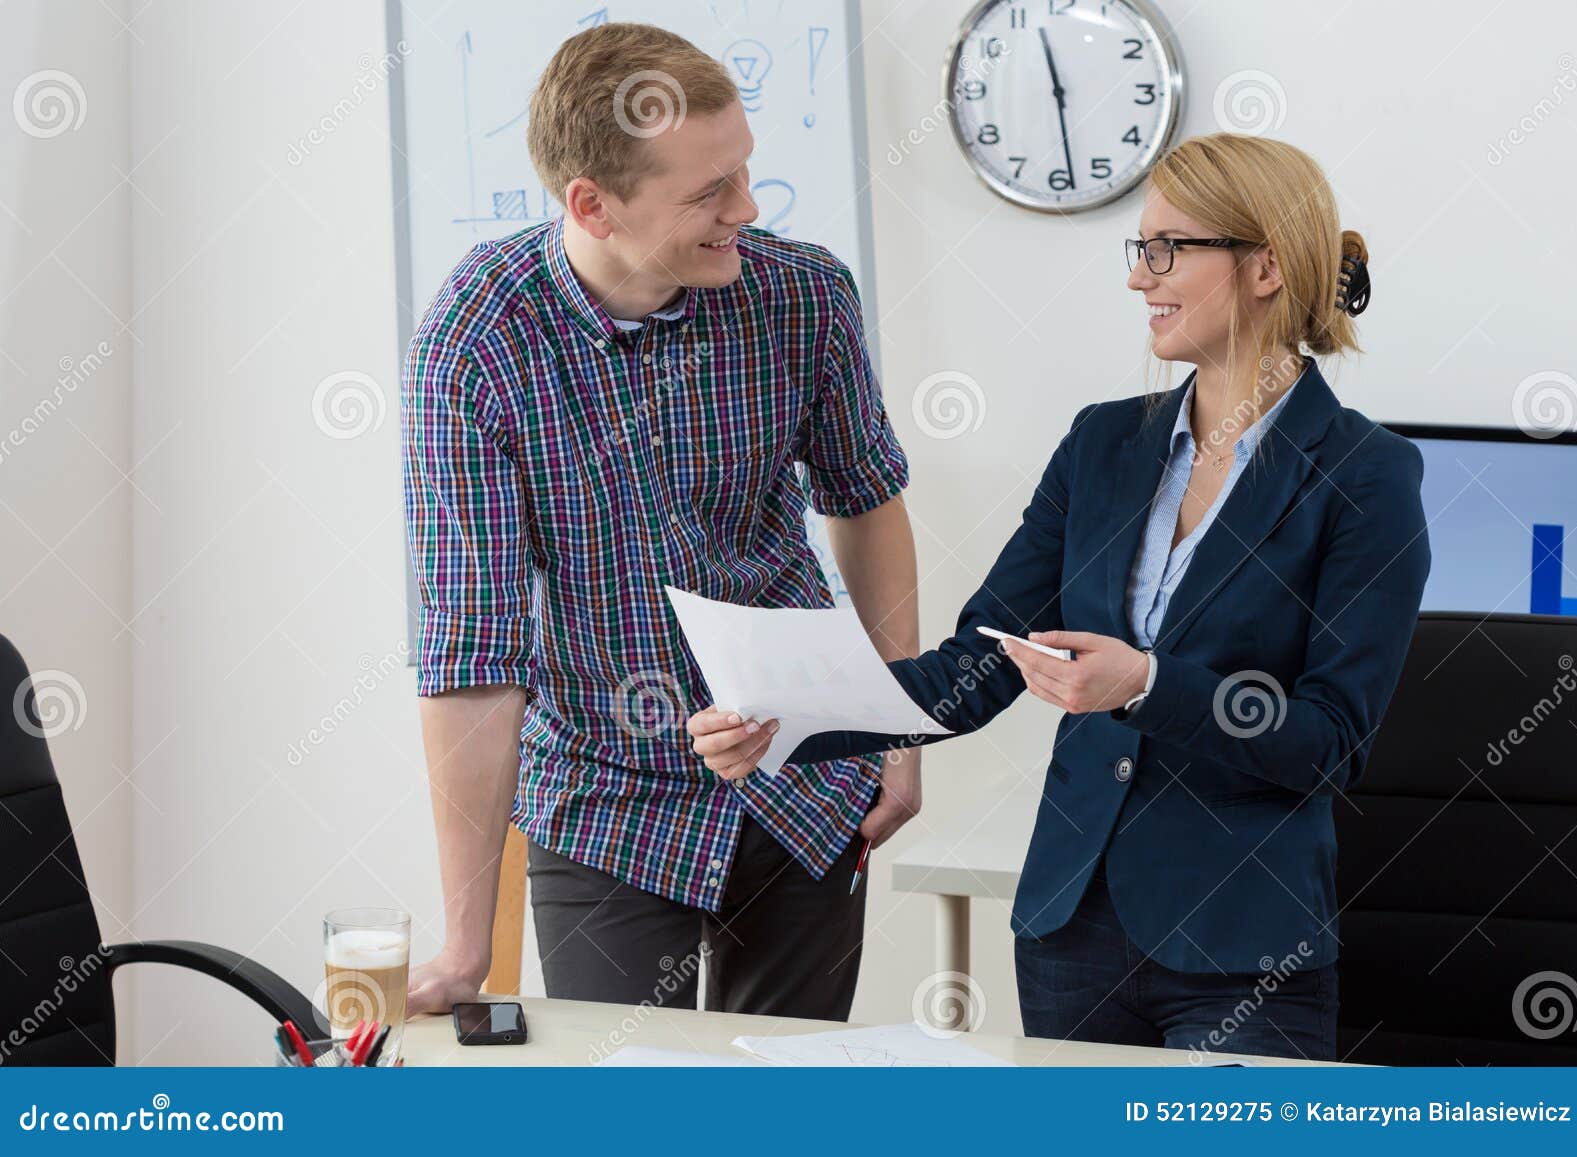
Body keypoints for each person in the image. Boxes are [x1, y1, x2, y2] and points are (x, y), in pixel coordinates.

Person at [689, 133, 1430, 1060]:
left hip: (1244, 947)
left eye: (1167, 249)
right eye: (1141, 249)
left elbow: (1330, 742)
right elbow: (980, 662)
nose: (1140, 278)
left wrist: (1150, 684)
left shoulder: (1366, 475)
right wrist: (790, 716)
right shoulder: (1104, 445)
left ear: (1266, 267)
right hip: (1072, 931)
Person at [402, 22, 921, 1023]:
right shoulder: (477, 342)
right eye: (707, 193)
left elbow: (867, 503)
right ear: (591, 204)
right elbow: (472, 654)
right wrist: (467, 939)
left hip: (804, 777)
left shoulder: (803, 293)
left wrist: (890, 728)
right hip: (606, 798)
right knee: (629, 1106)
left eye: (743, 172)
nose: (747, 208)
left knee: (785, 1105)